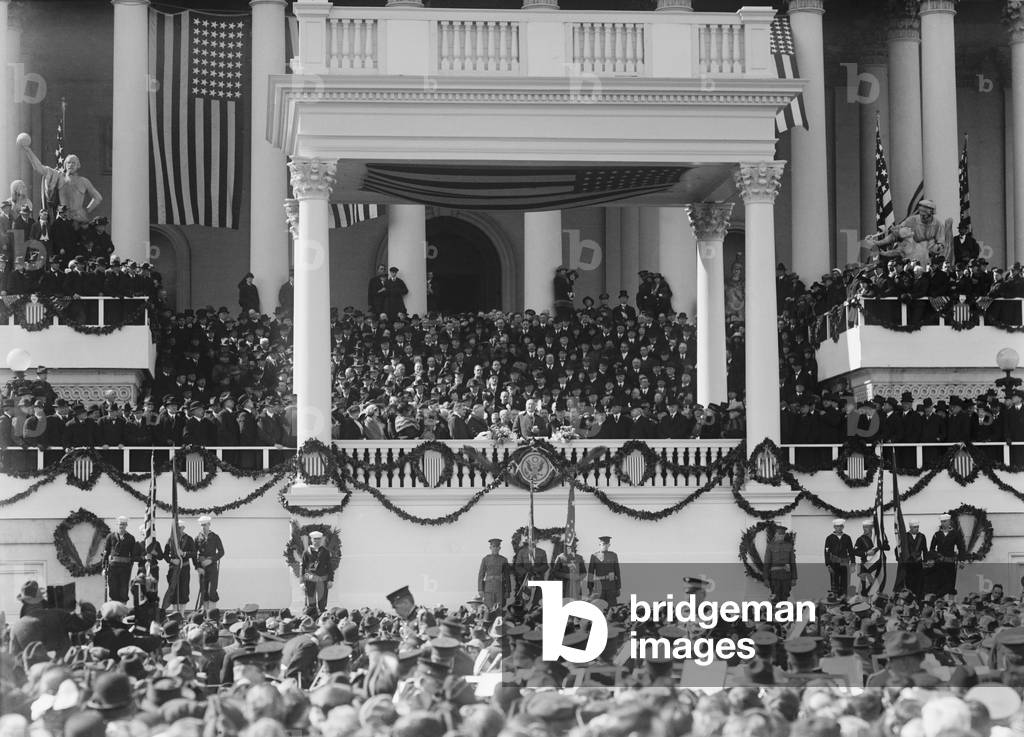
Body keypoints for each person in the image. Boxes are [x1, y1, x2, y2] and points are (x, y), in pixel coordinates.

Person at [20, 141, 103, 225]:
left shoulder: (84, 181)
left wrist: (86, 210)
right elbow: (39, 168)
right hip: (62, 219)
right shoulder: (58, 177)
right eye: (68, 163)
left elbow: (98, 198)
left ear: (78, 165)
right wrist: (28, 150)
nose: (71, 165)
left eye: (73, 163)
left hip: (79, 219)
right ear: (65, 165)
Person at [102, 516, 136, 604]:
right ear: (117, 524)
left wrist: (130, 565)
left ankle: (122, 611)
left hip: (125, 568)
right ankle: (114, 611)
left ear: (126, 525)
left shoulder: (131, 538)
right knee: (113, 588)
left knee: (123, 590)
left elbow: (133, 555)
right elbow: (106, 552)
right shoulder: (110, 536)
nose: (122, 526)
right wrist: (104, 567)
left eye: (124, 524)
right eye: (120, 524)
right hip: (112, 567)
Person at [930, 513, 965, 597]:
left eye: (945, 521)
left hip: (950, 562)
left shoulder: (955, 534)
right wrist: (935, 557)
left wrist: (961, 560)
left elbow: (961, 548)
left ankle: (950, 602)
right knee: (939, 582)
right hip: (939, 562)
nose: (943, 523)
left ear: (949, 522)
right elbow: (932, 548)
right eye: (941, 521)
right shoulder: (937, 534)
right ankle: (938, 601)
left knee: (951, 583)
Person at [162, 521, 195, 610]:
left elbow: (194, 554)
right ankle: (174, 613)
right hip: (173, 569)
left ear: (183, 528)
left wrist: (184, 554)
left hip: (184, 569)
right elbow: (164, 555)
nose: (178, 530)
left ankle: (182, 613)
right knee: (174, 590)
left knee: (184, 591)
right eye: (177, 528)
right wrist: (172, 560)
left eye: (180, 528)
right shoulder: (170, 540)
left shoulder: (189, 539)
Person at [195, 515, 225, 612]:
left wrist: (211, 560)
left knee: (212, 590)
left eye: (205, 524)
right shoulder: (197, 538)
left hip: (212, 566)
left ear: (209, 524)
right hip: (202, 567)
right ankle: (205, 613)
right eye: (202, 525)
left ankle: (212, 613)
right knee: (203, 591)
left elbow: (221, 552)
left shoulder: (215, 537)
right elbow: (194, 554)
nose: (204, 527)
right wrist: (197, 567)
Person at [302, 530, 333, 615]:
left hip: (322, 580)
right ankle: (311, 620)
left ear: (321, 539)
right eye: (315, 539)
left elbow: (330, 566)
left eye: (319, 539)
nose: (317, 541)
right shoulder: (306, 552)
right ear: (311, 539)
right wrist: (302, 582)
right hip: (310, 580)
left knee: (322, 603)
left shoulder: (325, 552)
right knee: (311, 603)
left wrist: (330, 580)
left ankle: (322, 619)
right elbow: (303, 567)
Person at [763, 525, 797, 602]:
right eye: (779, 534)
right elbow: (767, 563)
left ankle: (784, 613)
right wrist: (766, 578)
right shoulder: (770, 546)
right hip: (775, 575)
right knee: (775, 596)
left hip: (786, 576)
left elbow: (793, 563)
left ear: (784, 535)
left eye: (782, 534)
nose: (781, 536)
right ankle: (777, 613)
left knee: (785, 596)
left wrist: (794, 578)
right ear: (775, 535)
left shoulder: (789, 546)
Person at [477, 538, 512, 610]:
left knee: (499, 607)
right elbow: (481, 575)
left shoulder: (503, 560)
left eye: (497, 547)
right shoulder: (485, 559)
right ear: (490, 548)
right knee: (488, 607)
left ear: (500, 548)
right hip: (488, 587)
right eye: (494, 547)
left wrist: (508, 590)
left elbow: (507, 576)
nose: (495, 549)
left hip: (499, 587)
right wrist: (480, 589)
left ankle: (498, 620)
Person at [824, 519, 854, 599]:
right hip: (833, 563)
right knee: (834, 580)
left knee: (844, 581)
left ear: (843, 527)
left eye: (841, 526)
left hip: (844, 562)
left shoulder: (847, 537)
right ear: (834, 527)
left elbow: (851, 550)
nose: (839, 528)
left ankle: (843, 597)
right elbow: (826, 551)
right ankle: (835, 597)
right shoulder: (829, 538)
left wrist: (853, 563)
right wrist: (828, 565)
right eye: (837, 526)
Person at [899, 519, 928, 601]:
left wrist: (925, 561)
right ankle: (909, 600)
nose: (917, 529)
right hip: (908, 563)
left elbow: (925, 550)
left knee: (919, 583)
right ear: (910, 527)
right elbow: (900, 549)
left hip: (918, 563)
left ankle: (918, 600)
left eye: (917, 527)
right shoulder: (905, 536)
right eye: (915, 527)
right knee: (908, 582)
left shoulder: (922, 536)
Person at [587, 535, 621, 606]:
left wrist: (618, 587)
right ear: (599, 544)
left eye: (606, 544)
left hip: (611, 587)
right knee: (599, 607)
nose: (605, 546)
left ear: (609, 545)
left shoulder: (613, 555)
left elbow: (617, 571)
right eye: (603, 544)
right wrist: (590, 587)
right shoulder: (594, 556)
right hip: (599, 587)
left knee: (612, 607)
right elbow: (591, 572)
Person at [854, 519, 881, 596]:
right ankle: (863, 596)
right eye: (864, 527)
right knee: (865, 584)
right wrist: (866, 553)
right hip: (865, 564)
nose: (865, 529)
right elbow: (855, 551)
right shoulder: (860, 539)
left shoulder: (876, 538)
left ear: (872, 528)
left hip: (876, 564)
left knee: (874, 584)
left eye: (867, 527)